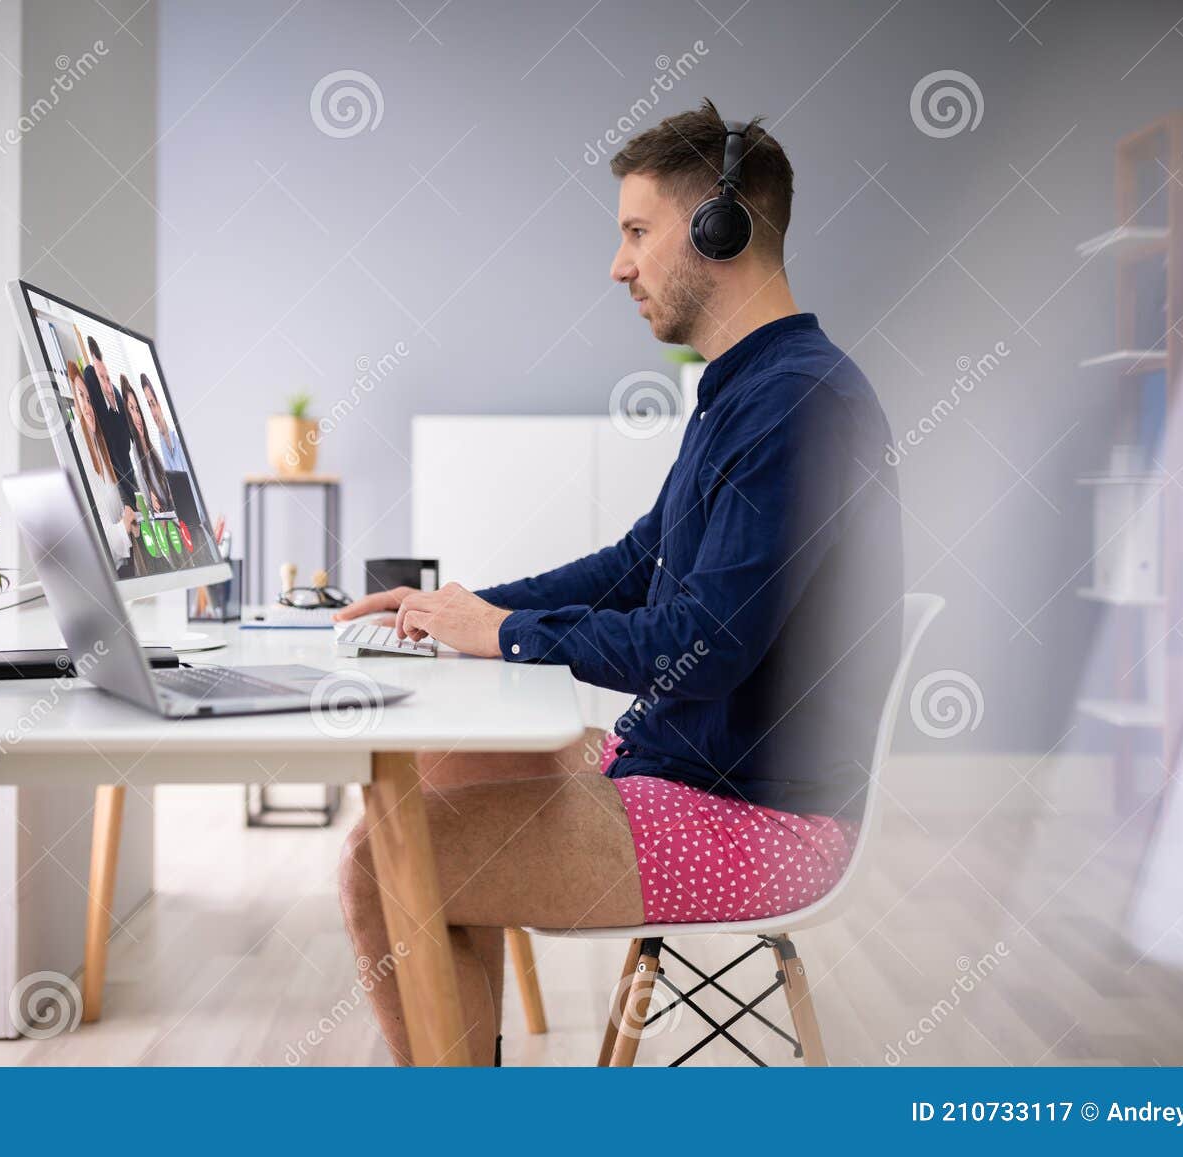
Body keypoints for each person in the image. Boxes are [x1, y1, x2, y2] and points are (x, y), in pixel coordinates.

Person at [333, 100, 902, 1066]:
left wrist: (505, 637)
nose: (619, 264)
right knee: (434, 774)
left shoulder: (800, 405)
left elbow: (708, 642)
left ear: (717, 228)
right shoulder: (746, 387)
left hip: (760, 819)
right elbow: (639, 564)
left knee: (379, 867)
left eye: (637, 232)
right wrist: (467, 611)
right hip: (689, 770)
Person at [69, 362, 137, 567]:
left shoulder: (100, 446)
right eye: (81, 397)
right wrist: (124, 526)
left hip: (124, 561)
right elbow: (99, 538)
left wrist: (130, 521)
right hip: (109, 570)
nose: (88, 406)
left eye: (89, 399)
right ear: (74, 401)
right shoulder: (78, 452)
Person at [81, 334, 137, 500]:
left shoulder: (117, 398)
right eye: (101, 379)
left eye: (108, 378)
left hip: (130, 476)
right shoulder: (91, 378)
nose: (107, 385)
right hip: (116, 483)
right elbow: (90, 373)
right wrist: (94, 363)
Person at [120, 374, 174, 515]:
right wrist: (149, 498)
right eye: (131, 410)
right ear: (128, 416)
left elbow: (169, 486)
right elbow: (150, 507)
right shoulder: (136, 456)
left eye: (137, 409)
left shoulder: (153, 450)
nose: (137, 417)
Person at [140, 373, 189, 474]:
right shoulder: (162, 442)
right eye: (149, 405)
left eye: (153, 403)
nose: (152, 412)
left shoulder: (178, 436)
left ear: (160, 403)